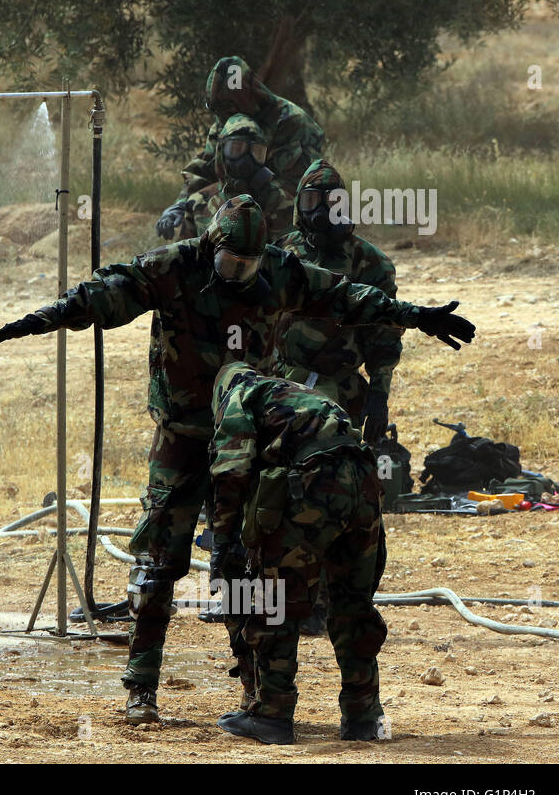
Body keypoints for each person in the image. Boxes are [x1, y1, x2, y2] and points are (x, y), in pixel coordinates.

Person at [0, 194, 474, 724]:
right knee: (159, 559)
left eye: (248, 265)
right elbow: (107, 291)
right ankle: (141, 687)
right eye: (228, 263)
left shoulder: (281, 271)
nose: (237, 273)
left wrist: (413, 315)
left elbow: (344, 296)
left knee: (247, 563)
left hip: (251, 435)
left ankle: (258, 694)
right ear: (211, 247)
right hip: (184, 437)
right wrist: (43, 318)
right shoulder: (174, 265)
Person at [208, 361, 389, 745]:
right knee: (352, 604)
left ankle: (271, 716)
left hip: (315, 483)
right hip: (364, 484)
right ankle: (363, 717)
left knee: (276, 600)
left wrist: (224, 542)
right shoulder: (299, 395)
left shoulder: (238, 396)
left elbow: (231, 470)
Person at [271, 159, 403, 636]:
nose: (322, 212)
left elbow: (385, 337)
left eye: (331, 203)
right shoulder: (281, 254)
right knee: (280, 491)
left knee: (337, 495)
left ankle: (330, 600)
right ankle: (284, 597)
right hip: (285, 389)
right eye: (311, 202)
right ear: (298, 207)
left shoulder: (370, 263)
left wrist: (379, 397)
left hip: (344, 391)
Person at [156, 56, 323, 240]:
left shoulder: (293, 123)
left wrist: (261, 182)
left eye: (225, 108)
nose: (220, 117)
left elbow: (311, 187)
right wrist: (180, 204)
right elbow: (205, 167)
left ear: (245, 98)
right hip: (237, 196)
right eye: (215, 109)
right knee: (196, 205)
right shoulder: (224, 123)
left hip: (282, 206)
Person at [181, 114, 290, 242]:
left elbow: (292, 254)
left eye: (256, 152)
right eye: (236, 149)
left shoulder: (280, 201)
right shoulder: (198, 203)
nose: (246, 161)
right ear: (221, 152)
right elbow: (183, 256)